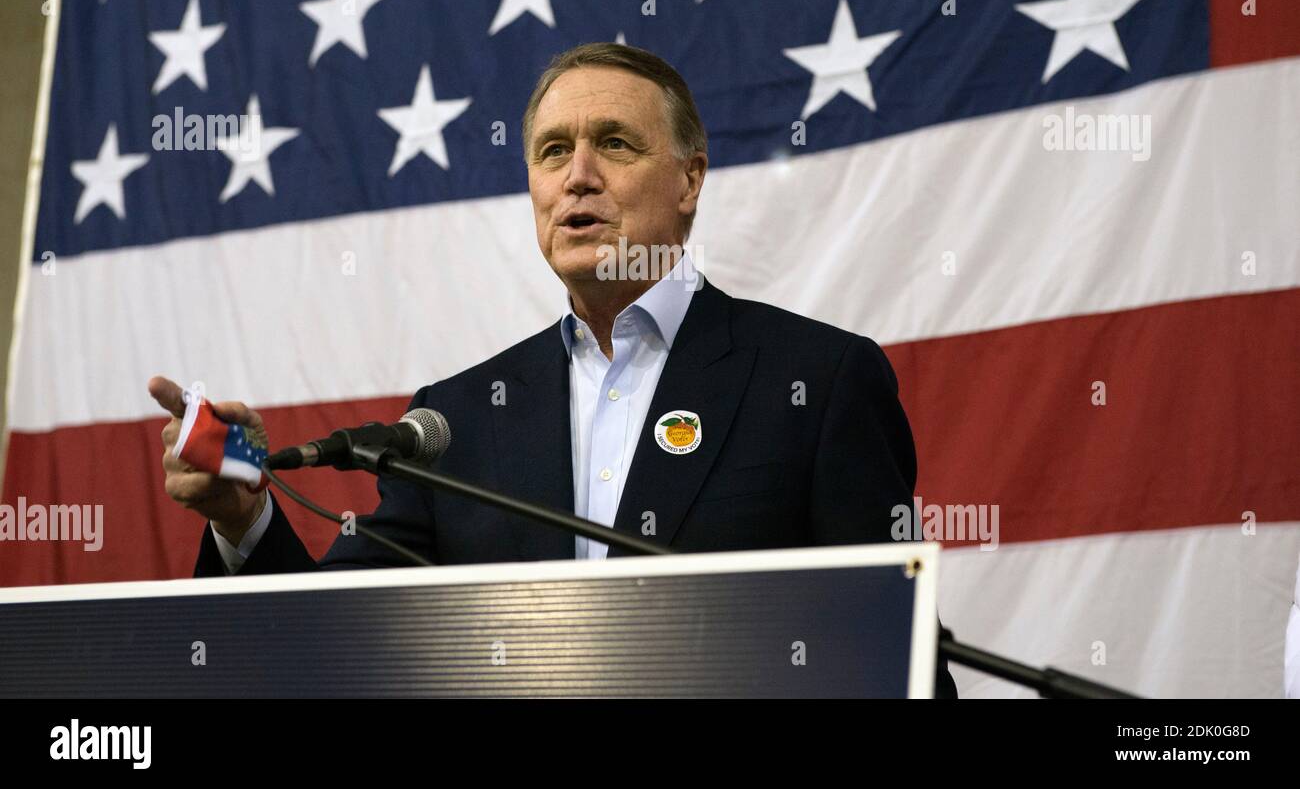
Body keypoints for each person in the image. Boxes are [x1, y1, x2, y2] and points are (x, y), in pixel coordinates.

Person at [150, 41, 958, 697]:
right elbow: (329, 643)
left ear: (690, 179)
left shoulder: (817, 381)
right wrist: (242, 511)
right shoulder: (454, 423)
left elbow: (903, 665)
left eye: (614, 142)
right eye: (552, 152)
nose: (578, 175)